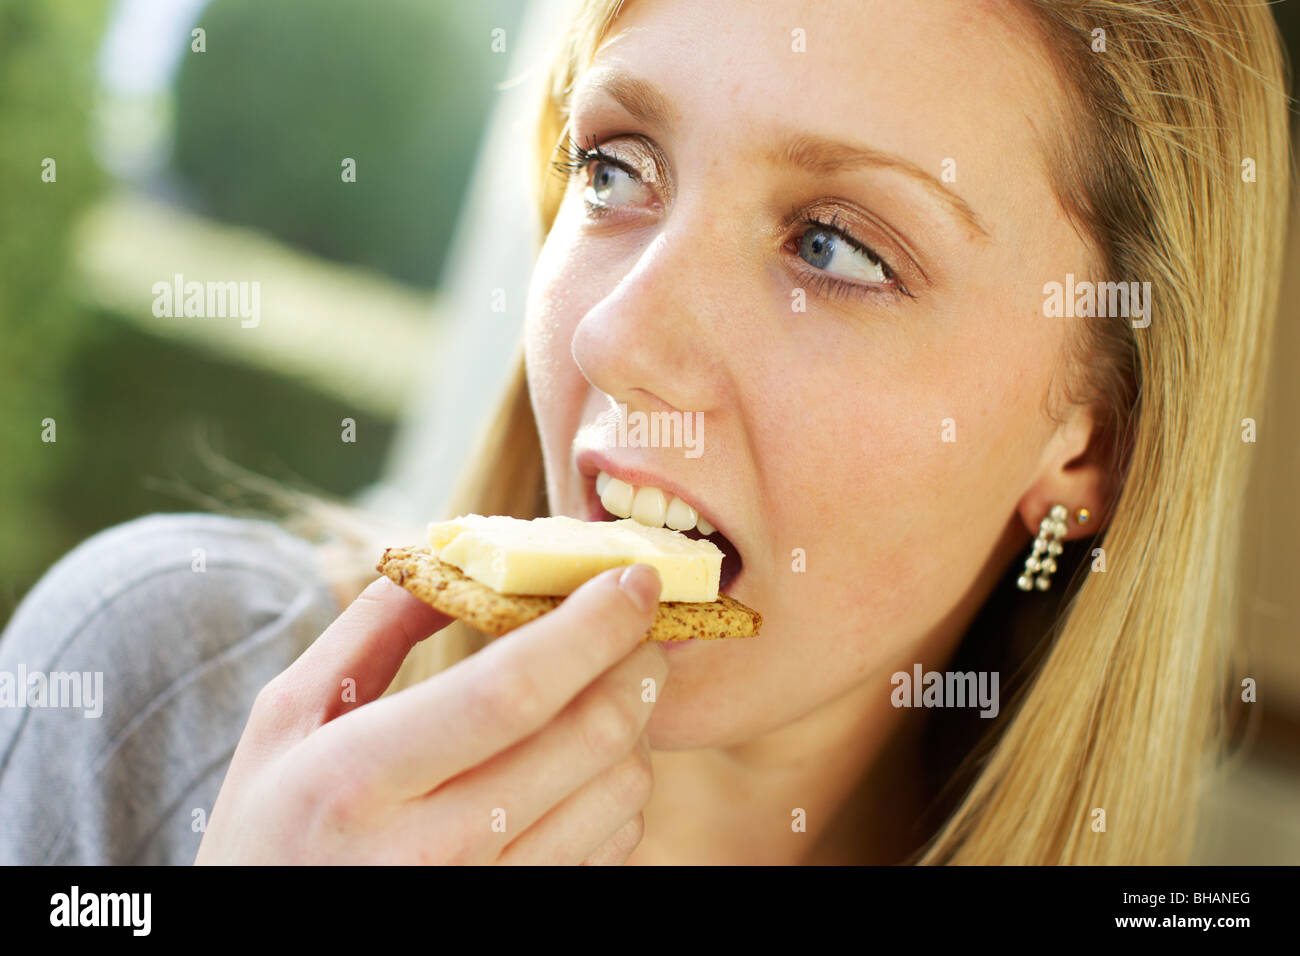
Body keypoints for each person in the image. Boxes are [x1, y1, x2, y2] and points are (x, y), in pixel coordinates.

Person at [0, 0, 1289, 865]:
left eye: (835, 246)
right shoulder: (155, 688)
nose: (616, 340)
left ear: (1091, 446)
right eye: (615, 166)